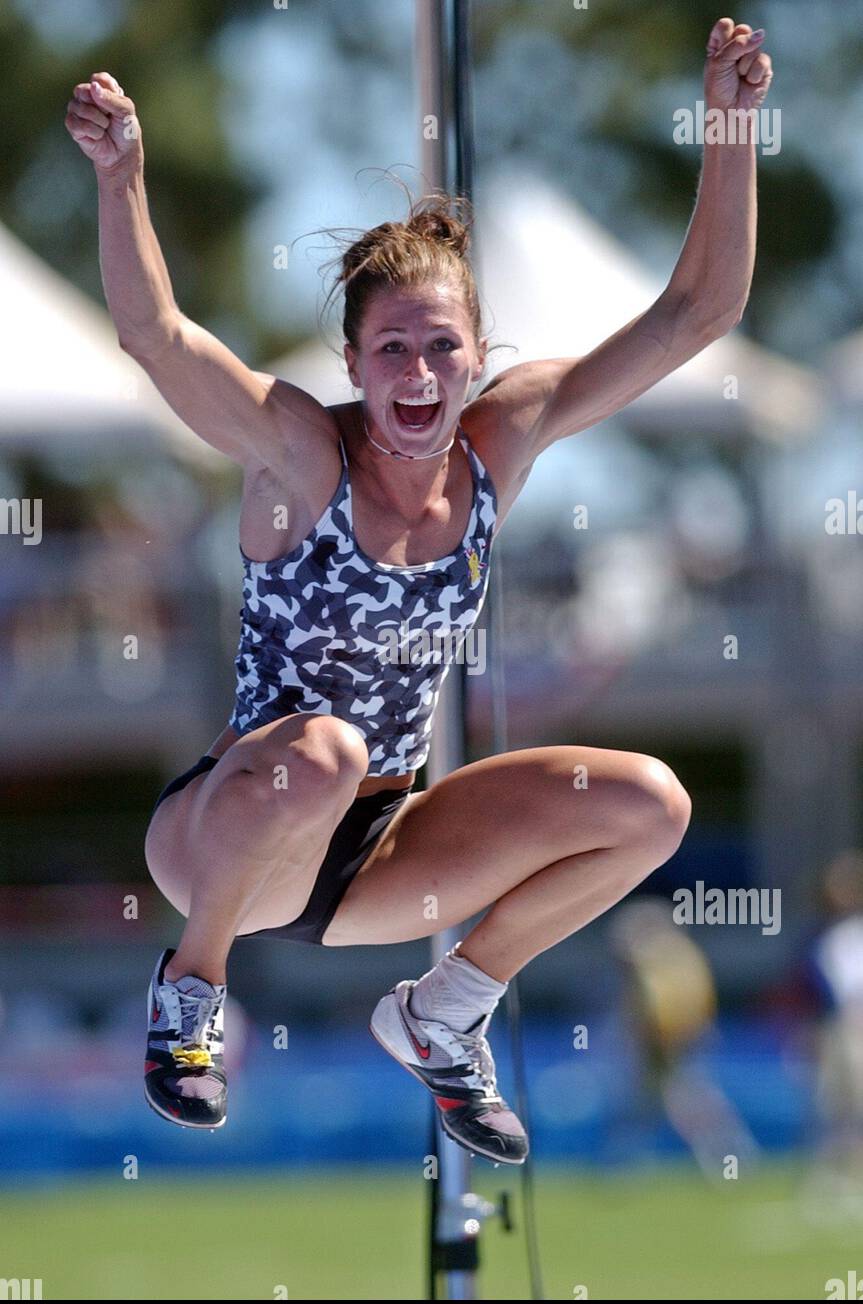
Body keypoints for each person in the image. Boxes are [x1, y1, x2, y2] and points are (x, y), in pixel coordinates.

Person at [64, 18, 772, 1164]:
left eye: (440, 348)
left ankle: (444, 1010)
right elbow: (155, 333)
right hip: (232, 835)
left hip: (386, 849)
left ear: (477, 354)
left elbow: (698, 313)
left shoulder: (507, 435)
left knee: (650, 802)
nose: (416, 374)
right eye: (390, 350)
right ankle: (191, 990)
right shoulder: (301, 454)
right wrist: (122, 176)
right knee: (328, 749)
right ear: (350, 364)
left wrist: (731, 126)